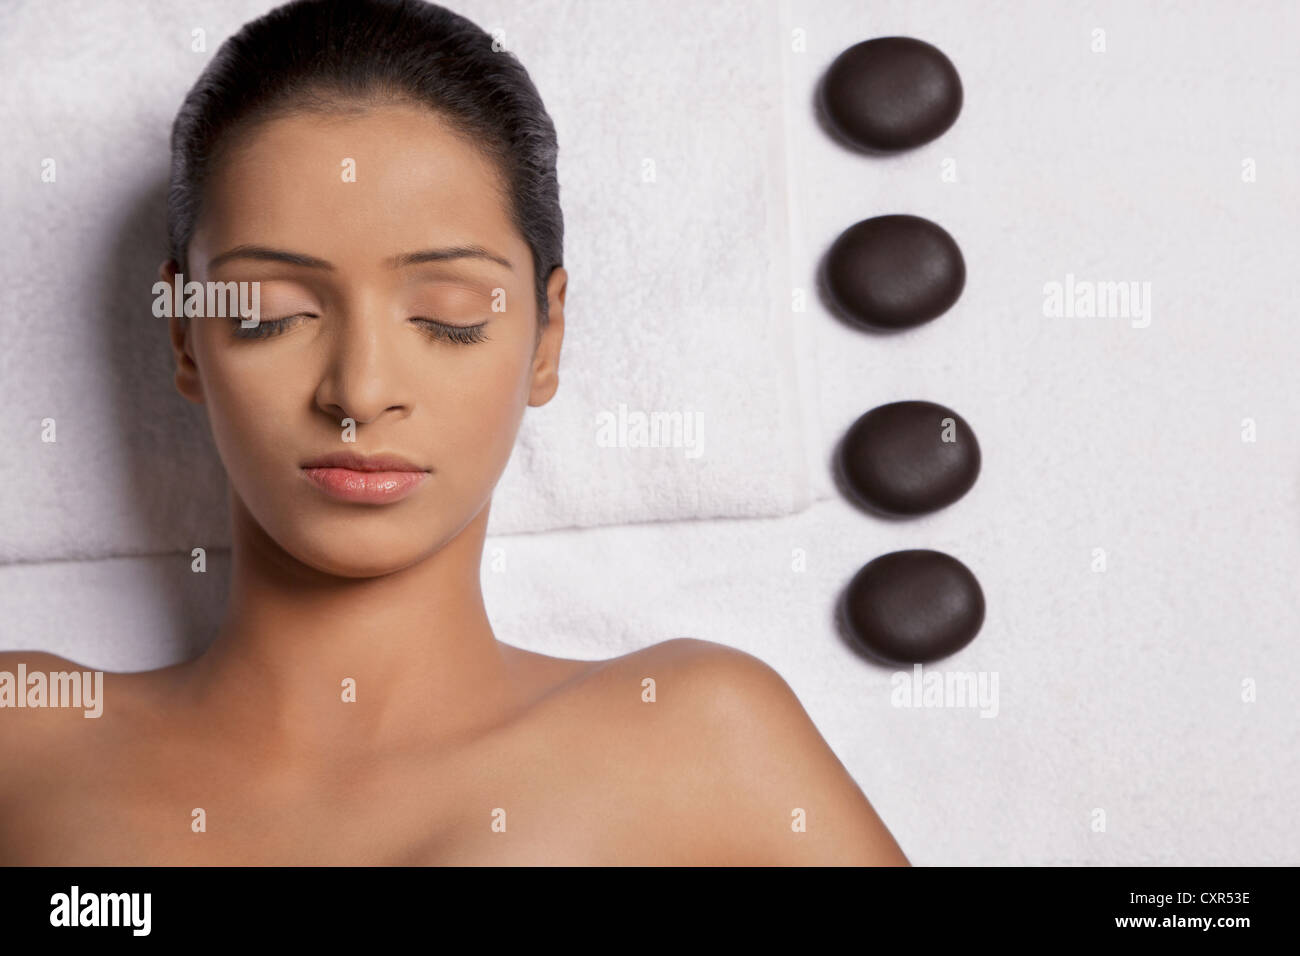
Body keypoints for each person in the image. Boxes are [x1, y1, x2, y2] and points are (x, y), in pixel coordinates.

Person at [0, 0, 908, 866]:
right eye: (272, 312)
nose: (359, 391)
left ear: (546, 338)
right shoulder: (26, 738)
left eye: (448, 315)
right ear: (185, 337)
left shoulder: (699, 738)